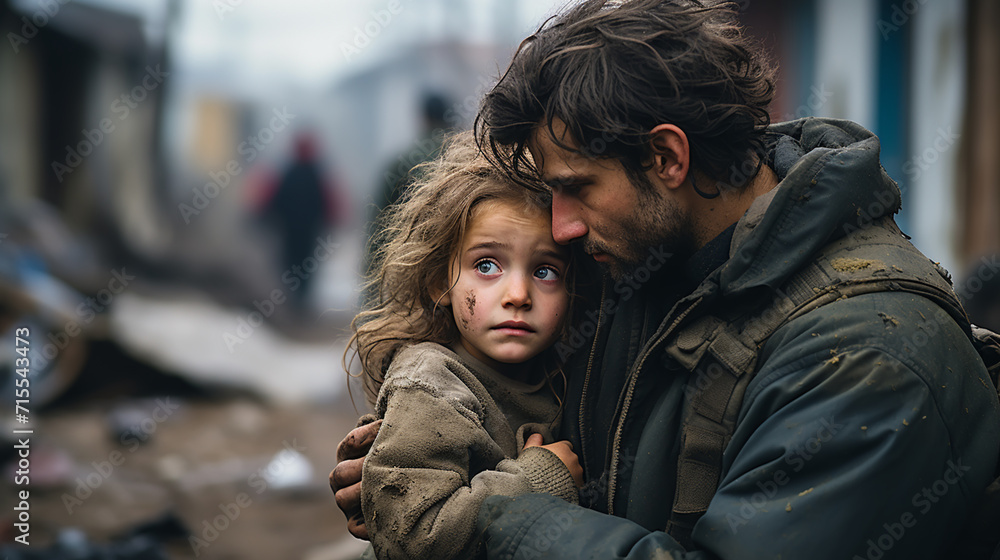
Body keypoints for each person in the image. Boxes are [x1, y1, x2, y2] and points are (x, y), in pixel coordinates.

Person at [333, 1, 1000, 558]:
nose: (562, 227)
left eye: (577, 189)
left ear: (667, 156)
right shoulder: (644, 258)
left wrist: (489, 519)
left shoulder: (869, 358)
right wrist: (418, 463)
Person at [346, 131, 583, 560]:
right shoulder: (431, 383)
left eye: (546, 271)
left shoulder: (559, 372)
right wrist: (537, 482)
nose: (518, 294)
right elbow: (414, 539)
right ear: (442, 281)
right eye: (487, 265)